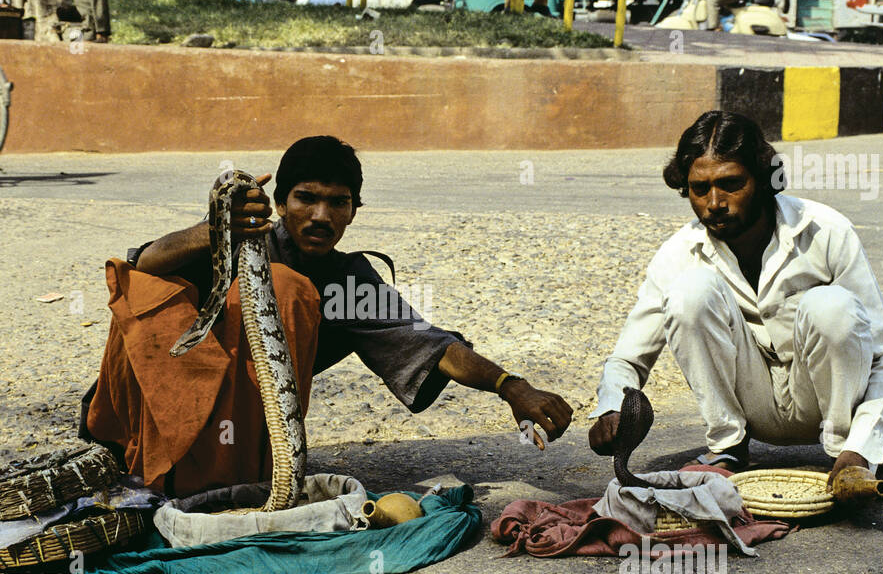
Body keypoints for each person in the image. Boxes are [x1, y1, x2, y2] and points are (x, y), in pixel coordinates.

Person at [81, 135, 574, 496]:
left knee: (292, 291)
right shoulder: (233, 236)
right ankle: (151, 459)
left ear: (354, 212)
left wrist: (512, 385)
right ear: (279, 203)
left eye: (338, 203)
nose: (322, 216)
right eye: (306, 198)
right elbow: (141, 266)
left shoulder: (347, 281)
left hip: (244, 434)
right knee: (159, 285)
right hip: (152, 410)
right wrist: (212, 230)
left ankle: (234, 473)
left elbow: (434, 346)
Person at [588, 111, 883, 490]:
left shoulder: (826, 230)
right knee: (690, 292)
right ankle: (727, 448)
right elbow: (628, 358)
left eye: (730, 184)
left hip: (825, 404)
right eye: (699, 189)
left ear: (763, 178)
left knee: (831, 306)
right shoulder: (678, 253)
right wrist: (611, 407)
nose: (714, 203)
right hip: (750, 406)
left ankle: (845, 458)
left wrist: (862, 447)